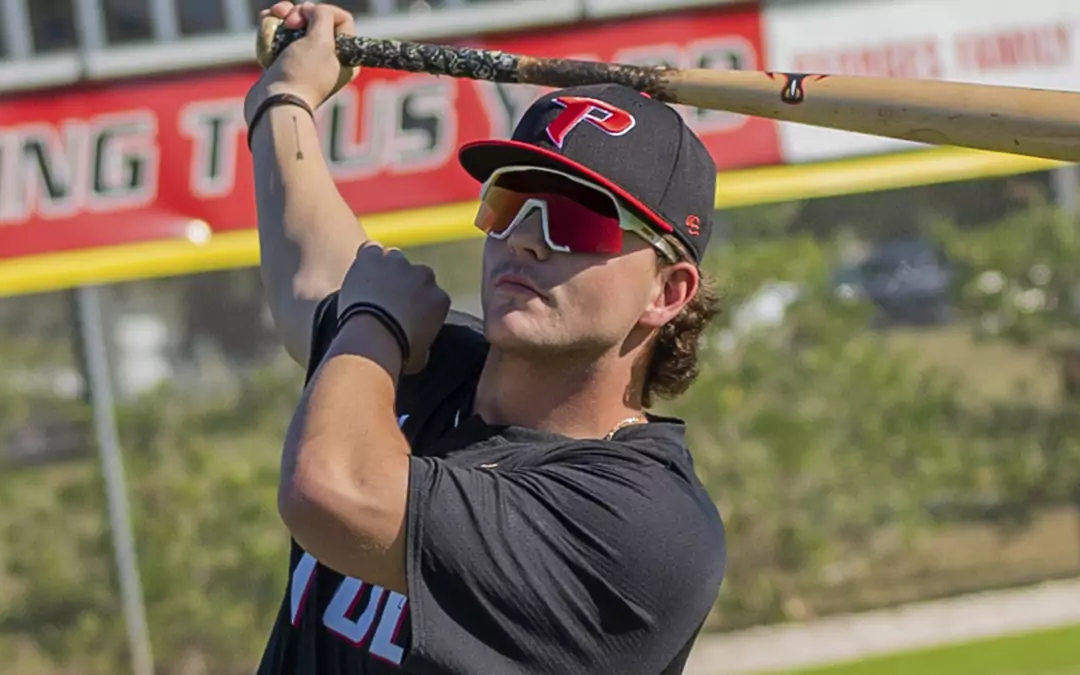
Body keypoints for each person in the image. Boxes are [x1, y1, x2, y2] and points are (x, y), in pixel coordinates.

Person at [243, 3, 727, 674]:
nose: (524, 238)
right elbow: (314, 270)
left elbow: (330, 491)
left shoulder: (643, 527)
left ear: (667, 292)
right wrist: (284, 98)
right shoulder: (418, 361)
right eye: (510, 202)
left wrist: (372, 319)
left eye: (576, 221)